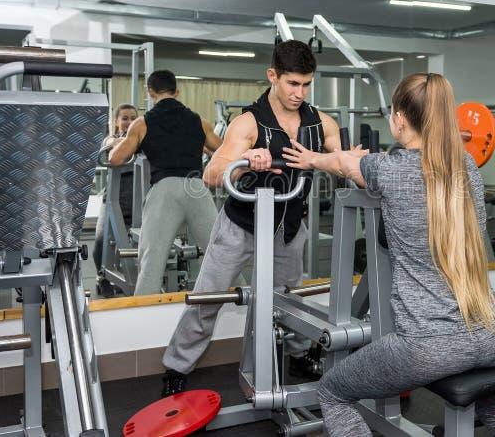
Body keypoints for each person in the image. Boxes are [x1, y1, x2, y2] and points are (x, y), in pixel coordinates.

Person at [283, 73, 495, 437]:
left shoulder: (391, 169)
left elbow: (344, 165)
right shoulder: (467, 166)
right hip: (493, 337)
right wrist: (348, 159)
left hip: (428, 347)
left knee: (332, 391)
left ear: (400, 118)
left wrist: (312, 159)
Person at [160, 39, 343, 397]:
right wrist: (245, 162)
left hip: (289, 227)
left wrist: (342, 160)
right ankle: (176, 367)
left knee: (289, 300)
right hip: (241, 223)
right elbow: (212, 175)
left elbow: (343, 163)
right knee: (208, 298)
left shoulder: (321, 123)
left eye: (306, 84)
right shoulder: (248, 122)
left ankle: (299, 355)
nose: (299, 93)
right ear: (273, 76)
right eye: (292, 83)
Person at [109, 70, 222, 295]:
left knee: (151, 262)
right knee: (220, 254)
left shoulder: (142, 124)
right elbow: (224, 150)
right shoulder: (199, 121)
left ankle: (143, 312)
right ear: (176, 92)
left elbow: (116, 159)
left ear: (150, 92)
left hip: (165, 190)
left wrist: (116, 143)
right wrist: (198, 146)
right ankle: (244, 305)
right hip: (196, 188)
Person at [93, 103, 138, 297]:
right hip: (113, 199)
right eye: (125, 118)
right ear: (116, 121)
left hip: (138, 200)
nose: (129, 121)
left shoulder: (141, 141)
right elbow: (111, 143)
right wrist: (134, 141)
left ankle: (130, 278)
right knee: (101, 241)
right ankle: (102, 277)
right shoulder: (111, 140)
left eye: (133, 118)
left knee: (135, 244)